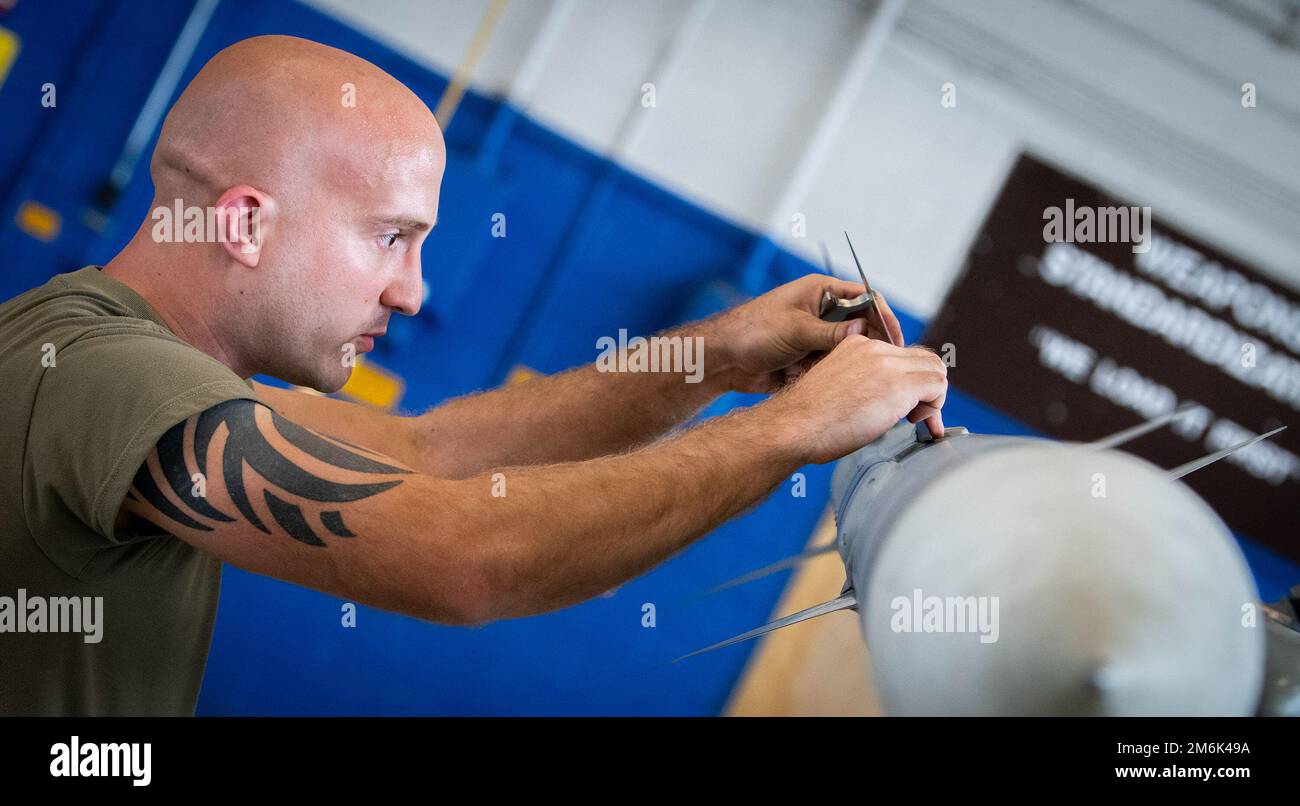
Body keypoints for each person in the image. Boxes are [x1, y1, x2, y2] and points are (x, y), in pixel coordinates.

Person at [0, 35, 947, 715]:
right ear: (245, 223)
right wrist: (792, 430)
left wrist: (714, 355)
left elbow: (436, 452)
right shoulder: (104, 377)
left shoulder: (126, 364)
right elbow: (468, 556)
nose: (413, 292)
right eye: (391, 238)